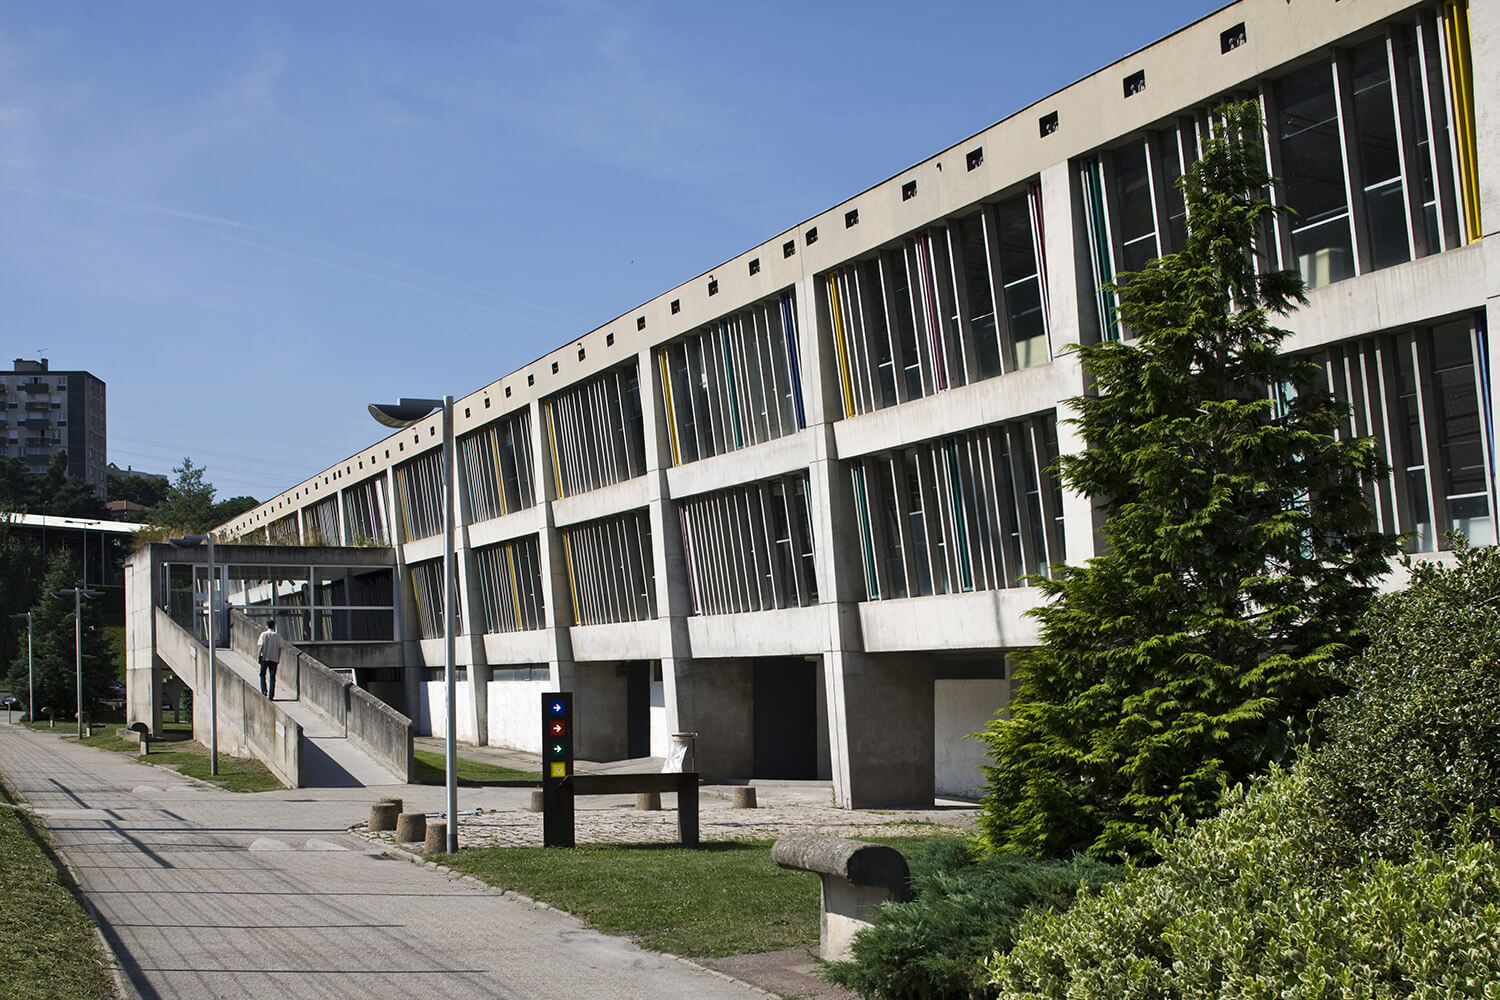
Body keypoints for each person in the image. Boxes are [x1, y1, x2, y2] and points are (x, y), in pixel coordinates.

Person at [257, 619, 283, 700]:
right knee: (272, 677)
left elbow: (261, 646)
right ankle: (271, 695)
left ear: (267, 626)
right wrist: (278, 658)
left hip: (265, 658)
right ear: (274, 626)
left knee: (262, 674)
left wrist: (259, 656)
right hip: (274, 658)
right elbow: (279, 648)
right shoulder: (278, 636)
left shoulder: (263, 634)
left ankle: (264, 690)